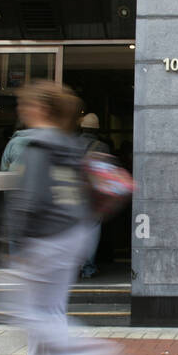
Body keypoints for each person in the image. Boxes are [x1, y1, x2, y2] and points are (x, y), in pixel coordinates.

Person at [0, 82, 120, 355]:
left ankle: (86, 350)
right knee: (48, 312)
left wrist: (18, 243)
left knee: (17, 308)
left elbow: (30, 200)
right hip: (72, 233)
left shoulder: (38, 145)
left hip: (45, 237)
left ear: (40, 109)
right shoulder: (71, 145)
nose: (23, 110)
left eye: (27, 105)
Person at [75, 112, 110, 279]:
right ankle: (87, 268)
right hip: (92, 194)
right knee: (92, 230)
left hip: (72, 193)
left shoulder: (71, 143)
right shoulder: (102, 147)